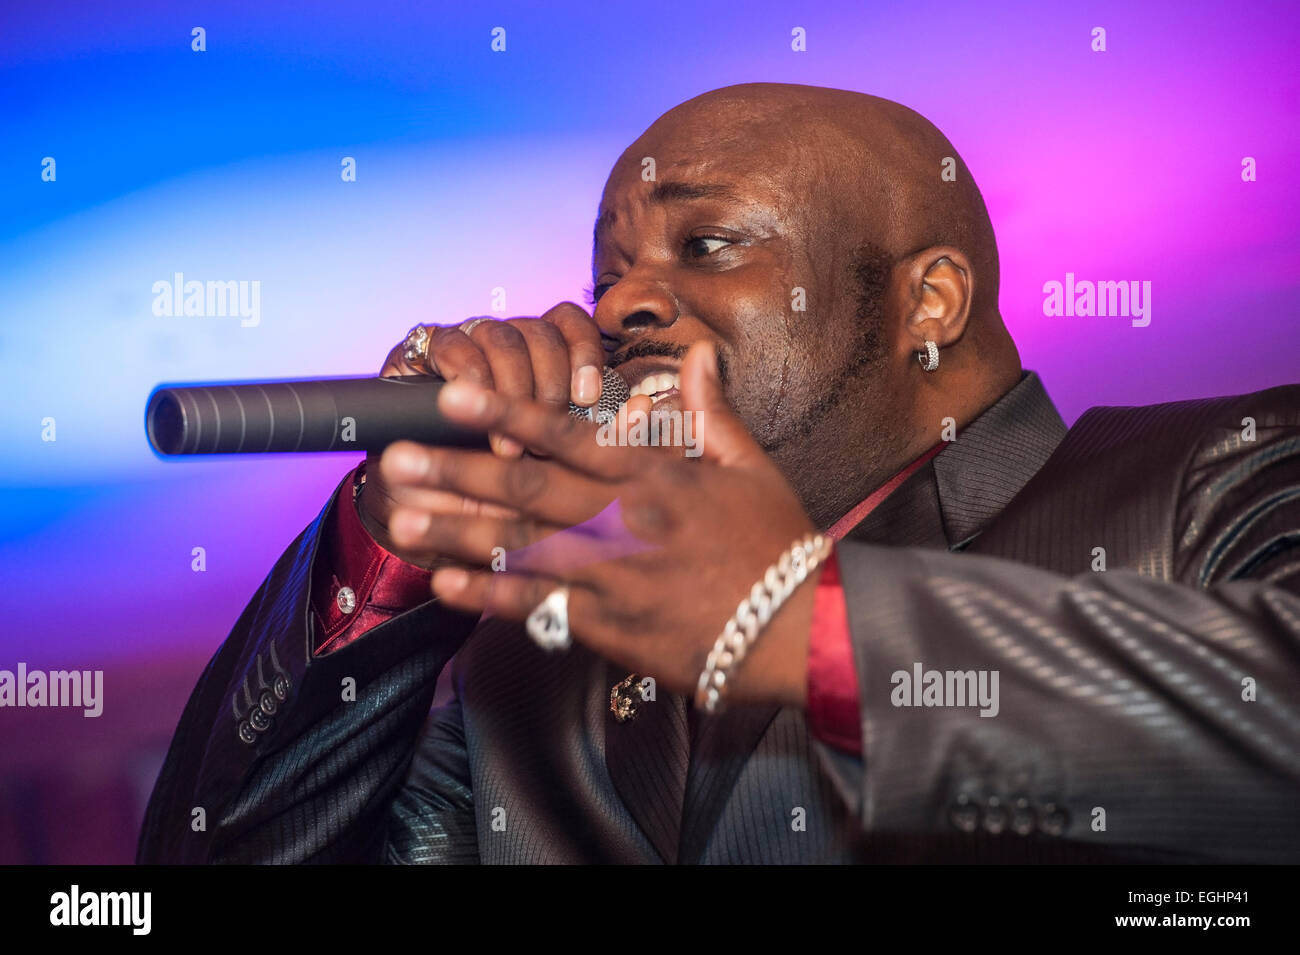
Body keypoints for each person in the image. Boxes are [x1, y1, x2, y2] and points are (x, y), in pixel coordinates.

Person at [137, 82, 1300, 864]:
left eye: (706, 245)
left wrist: (796, 619)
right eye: (609, 271)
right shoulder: (536, 676)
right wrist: (396, 543)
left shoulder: (1209, 475)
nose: (619, 303)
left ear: (928, 302)